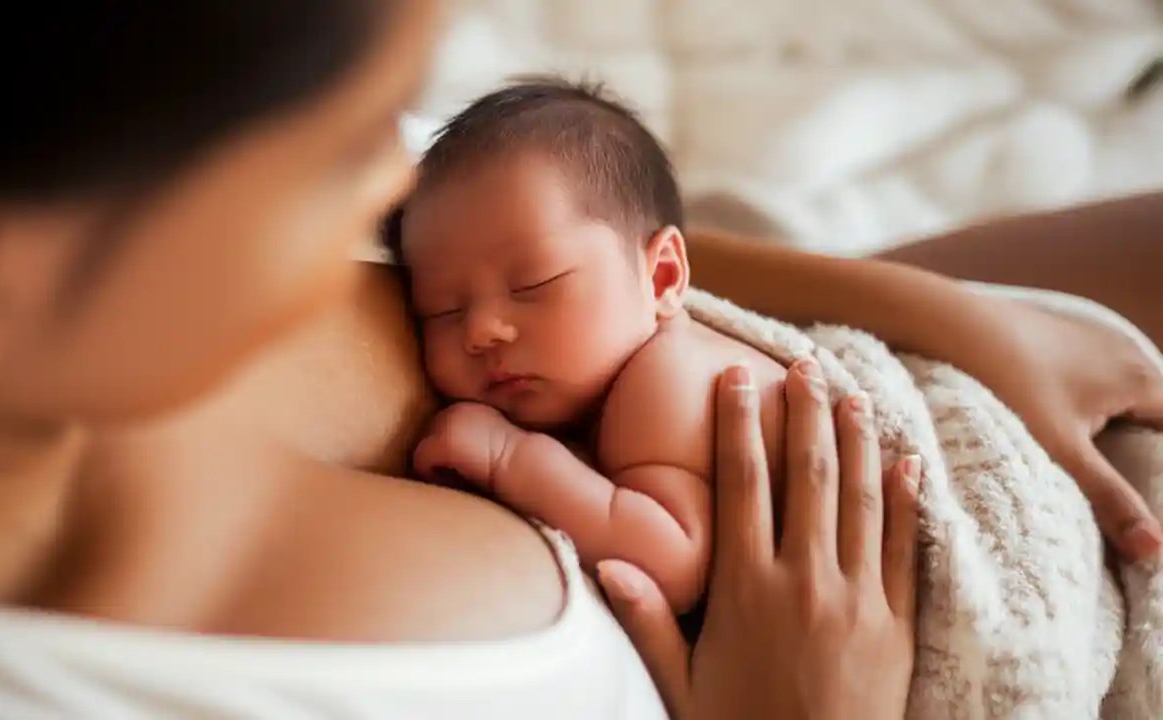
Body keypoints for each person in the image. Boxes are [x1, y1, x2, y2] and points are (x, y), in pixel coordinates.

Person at [0, 0, 1157, 717]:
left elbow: (608, 239)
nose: (395, 182)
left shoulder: (180, 157)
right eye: (337, 153)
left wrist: (944, 312)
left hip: (905, 378)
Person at [394, 78, 925, 615]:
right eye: (442, 310)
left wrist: (509, 458)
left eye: (534, 283)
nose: (481, 330)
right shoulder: (603, 380)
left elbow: (672, 562)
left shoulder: (664, 378)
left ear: (663, 277)